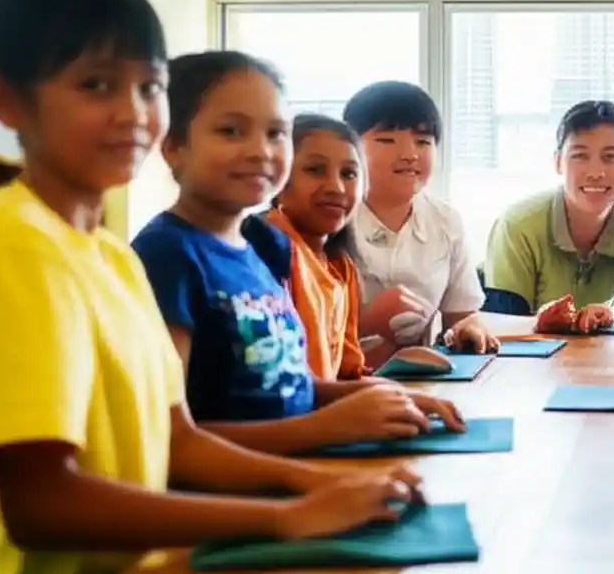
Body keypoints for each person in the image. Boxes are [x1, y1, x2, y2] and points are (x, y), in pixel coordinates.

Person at [0, 0, 421, 574]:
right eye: (96, 85)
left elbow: (180, 441)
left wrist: (318, 489)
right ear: (7, 100)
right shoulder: (17, 243)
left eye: (150, 88)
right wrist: (284, 514)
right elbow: (39, 503)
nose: (133, 112)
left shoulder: (109, 254)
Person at [132, 51, 464, 456]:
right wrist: (323, 437)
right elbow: (166, 441)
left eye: (275, 133)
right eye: (231, 130)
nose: (260, 151)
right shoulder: (167, 255)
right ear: (172, 145)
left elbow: (287, 389)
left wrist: (386, 395)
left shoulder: (248, 255)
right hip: (239, 500)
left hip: (295, 475)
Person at [342, 81, 496, 357]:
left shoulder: (446, 221)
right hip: (341, 381)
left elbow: (462, 317)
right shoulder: (329, 219)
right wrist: (364, 324)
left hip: (425, 380)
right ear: (349, 147)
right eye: (387, 140)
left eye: (423, 141)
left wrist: (468, 330)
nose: (410, 154)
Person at [482, 99, 614, 325]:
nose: (596, 172)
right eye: (580, 156)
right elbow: (499, 327)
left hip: (577, 354)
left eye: (611, 157)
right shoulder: (518, 225)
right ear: (558, 162)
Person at [257, 113, 370, 378]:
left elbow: (346, 373)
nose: (336, 187)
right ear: (278, 177)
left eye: (349, 174)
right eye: (315, 170)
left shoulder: (340, 266)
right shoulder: (266, 252)